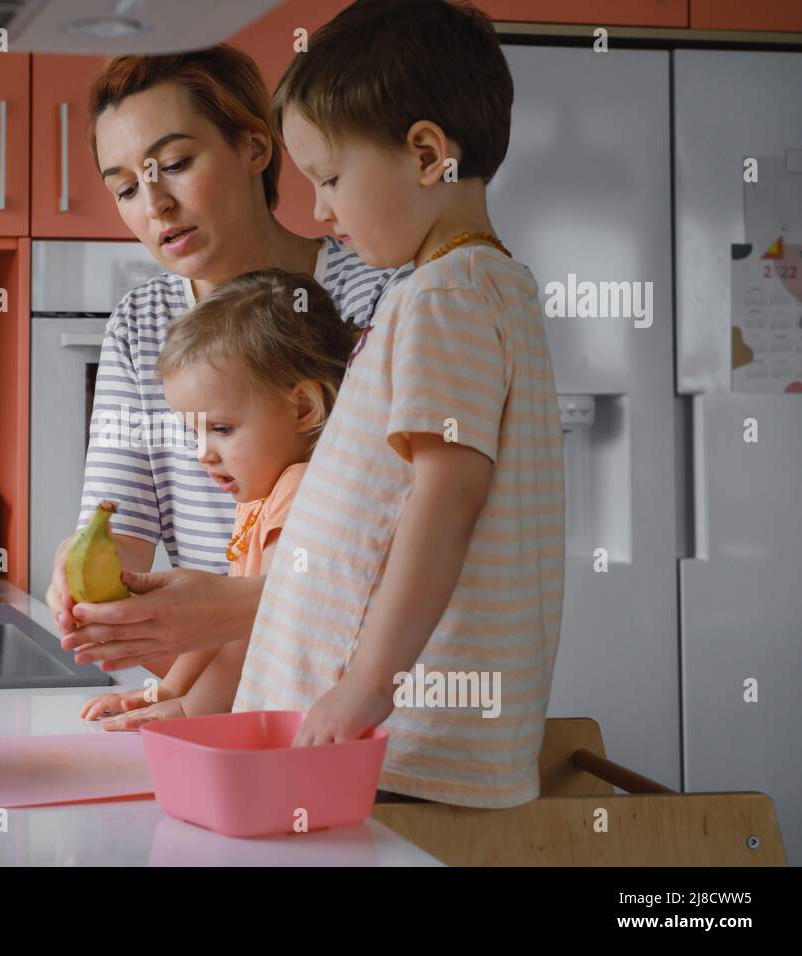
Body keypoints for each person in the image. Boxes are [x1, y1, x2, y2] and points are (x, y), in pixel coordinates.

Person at [232, 0, 566, 808]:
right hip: (379, 738)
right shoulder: (485, 285)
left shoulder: (444, 295)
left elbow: (445, 499)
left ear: (425, 155)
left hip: (385, 744)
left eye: (331, 178)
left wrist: (366, 686)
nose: (319, 211)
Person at [45, 46, 407, 674]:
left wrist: (244, 608)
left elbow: (412, 547)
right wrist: (90, 587)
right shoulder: (139, 325)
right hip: (219, 694)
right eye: (126, 187)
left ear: (255, 148)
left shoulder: (378, 296)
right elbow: (119, 531)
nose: (153, 204)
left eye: (176, 163)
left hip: (362, 688)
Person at [77, 270, 357, 728]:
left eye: (221, 429)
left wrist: (189, 709)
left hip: (301, 724)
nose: (202, 453)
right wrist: (166, 691)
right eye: (194, 431)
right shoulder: (259, 498)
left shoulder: (303, 490)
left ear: (303, 407)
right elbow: (221, 623)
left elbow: (254, 630)